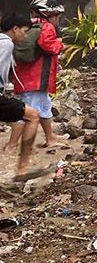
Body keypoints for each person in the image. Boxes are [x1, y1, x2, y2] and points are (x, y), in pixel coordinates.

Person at [9, 0, 65, 149]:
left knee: (45, 107)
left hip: (29, 78)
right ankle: (12, 144)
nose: (57, 20)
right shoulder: (46, 27)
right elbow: (49, 46)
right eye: (57, 16)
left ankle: (50, 137)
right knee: (25, 112)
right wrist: (60, 45)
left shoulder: (31, 25)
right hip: (36, 79)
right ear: (50, 15)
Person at [0, 14, 43, 180]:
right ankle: (22, 169)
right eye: (24, 31)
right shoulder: (6, 44)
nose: (25, 36)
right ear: (15, 29)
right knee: (33, 116)